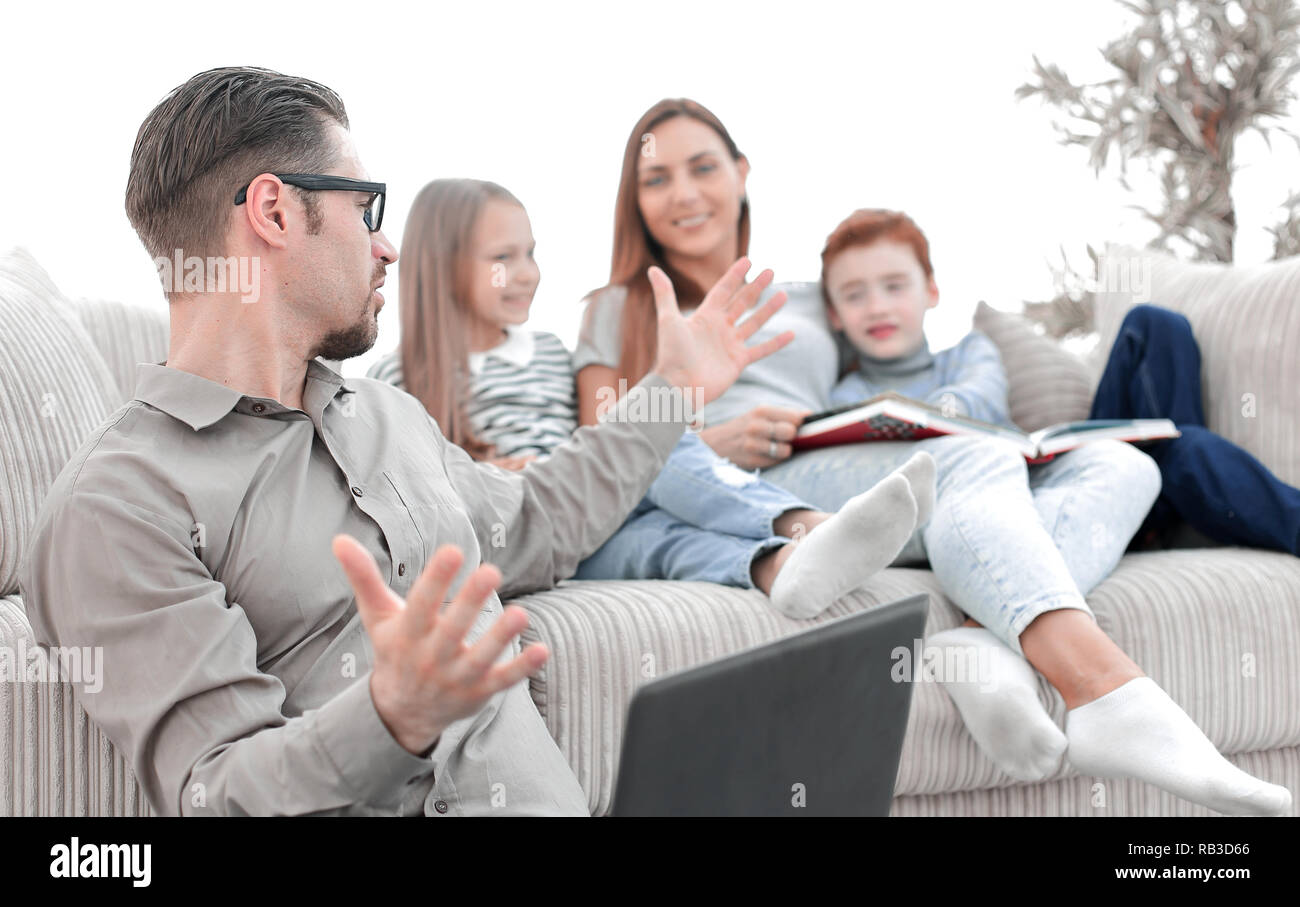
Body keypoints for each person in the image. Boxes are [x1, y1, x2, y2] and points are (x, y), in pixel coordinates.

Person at [19, 68, 795, 817]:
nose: (387, 248)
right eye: (367, 210)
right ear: (274, 211)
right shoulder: (118, 504)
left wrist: (673, 389)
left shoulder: (390, 417)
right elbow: (219, 790)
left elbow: (539, 525)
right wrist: (390, 714)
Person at [573, 98, 1292, 816]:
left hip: (846, 458)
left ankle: (988, 642)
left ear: (741, 173)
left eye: (702, 167)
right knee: (962, 461)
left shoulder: (807, 299)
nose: (685, 193)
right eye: (657, 177)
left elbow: (896, 357)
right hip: (745, 472)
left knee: (1128, 464)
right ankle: (1107, 689)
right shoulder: (618, 304)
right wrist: (709, 435)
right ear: (634, 200)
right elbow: (602, 447)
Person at [366, 178, 934, 617]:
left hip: (589, 507)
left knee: (664, 458)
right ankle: (804, 532)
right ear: (442, 268)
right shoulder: (397, 377)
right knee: (659, 534)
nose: (527, 274)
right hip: (534, 533)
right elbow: (411, 494)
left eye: (531, 254)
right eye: (502, 259)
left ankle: (793, 553)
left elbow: (600, 443)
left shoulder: (547, 352)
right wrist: (480, 471)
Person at [1090, 304, 1300, 556]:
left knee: (1155, 323)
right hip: (1089, 499)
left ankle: (1178, 476)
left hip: (1095, 468)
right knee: (1186, 449)